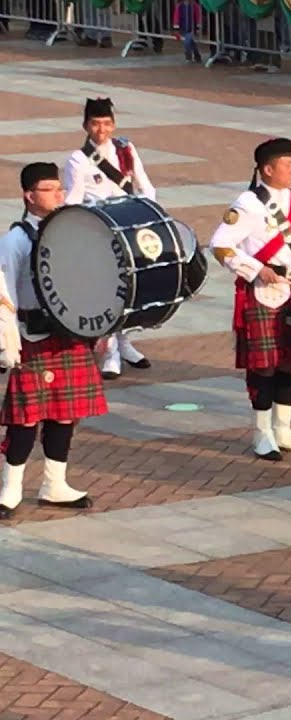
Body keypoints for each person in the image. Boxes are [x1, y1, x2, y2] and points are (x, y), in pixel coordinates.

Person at [209, 138, 291, 462]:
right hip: (265, 292)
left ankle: (284, 428)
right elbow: (220, 245)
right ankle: (262, 433)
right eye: (287, 164)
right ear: (268, 169)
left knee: (288, 361)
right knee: (263, 367)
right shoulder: (248, 203)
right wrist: (255, 269)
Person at [0, 163, 106, 520]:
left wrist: (98, 328)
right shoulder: (14, 240)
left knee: (64, 414)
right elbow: (5, 296)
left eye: (60, 188)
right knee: (25, 419)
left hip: (71, 334)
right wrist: (8, 342)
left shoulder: (70, 233)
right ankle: (10, 489)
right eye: (49, 189)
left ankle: (54, 484)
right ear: (29, 196)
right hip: (32, 336)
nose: (59, 195)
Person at [62, 97, 157, 380]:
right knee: (110, 290)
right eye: (95, 123)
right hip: (100, 231)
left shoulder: (126, 149)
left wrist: (145, 214)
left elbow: (146, 186)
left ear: (113, 125)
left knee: (132, 288)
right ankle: (110, 351)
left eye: (106, 123)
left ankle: (125, 343)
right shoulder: (78, 160)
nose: (101, 129)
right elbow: (74, 200)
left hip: (129, 227)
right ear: (86, 126)